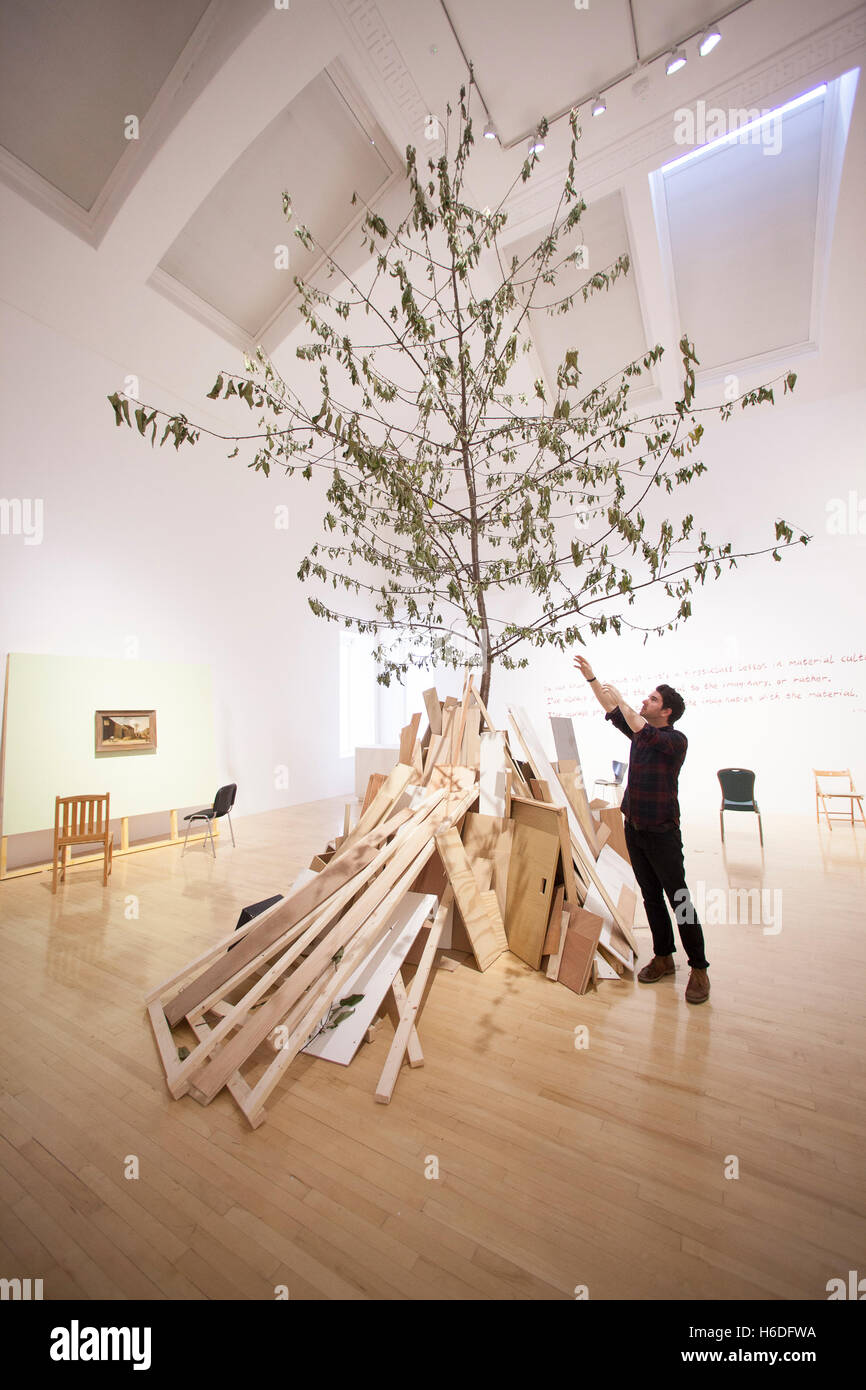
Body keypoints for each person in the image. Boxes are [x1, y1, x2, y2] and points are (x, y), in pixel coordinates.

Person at [574, 653, 710, 1004]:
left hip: (663, 832)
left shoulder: (673, 741)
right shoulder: (640, 734)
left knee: (677, 897)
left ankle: (698, 967)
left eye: (653, 699)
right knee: (651, 897)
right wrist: (593, 678)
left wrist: (621, 699)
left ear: (666, 712)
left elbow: (634, 721)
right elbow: (614, 709)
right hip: (634, 828)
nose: (645, 701)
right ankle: (663, 956)